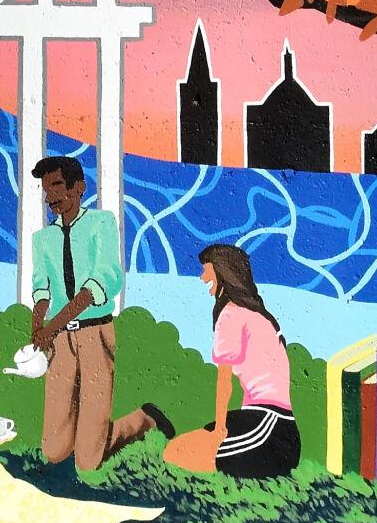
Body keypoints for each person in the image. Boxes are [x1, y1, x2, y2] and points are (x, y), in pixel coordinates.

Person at [29, 154, 153, 470]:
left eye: (57, 185)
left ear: (79, 187)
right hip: (60, 343)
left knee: (87, 460)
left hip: (95, 334)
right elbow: (41, 286)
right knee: (54, 450)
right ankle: (92, 436)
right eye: (46, 189)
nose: (51, 196)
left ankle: (142, 421)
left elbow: (103, 279)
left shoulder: (101, 223)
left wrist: (52, 325)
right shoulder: (42, 239)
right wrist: (37, 326)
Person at [143, 244, 301, 479]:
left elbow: (224, 379)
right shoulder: (255, 314)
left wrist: (219, 429)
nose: (202, 277)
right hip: (274, 427)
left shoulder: (231, 314)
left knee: (175, 453)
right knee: (180, 448)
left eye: (207, 270)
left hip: (268, 432)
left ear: (223, 273)